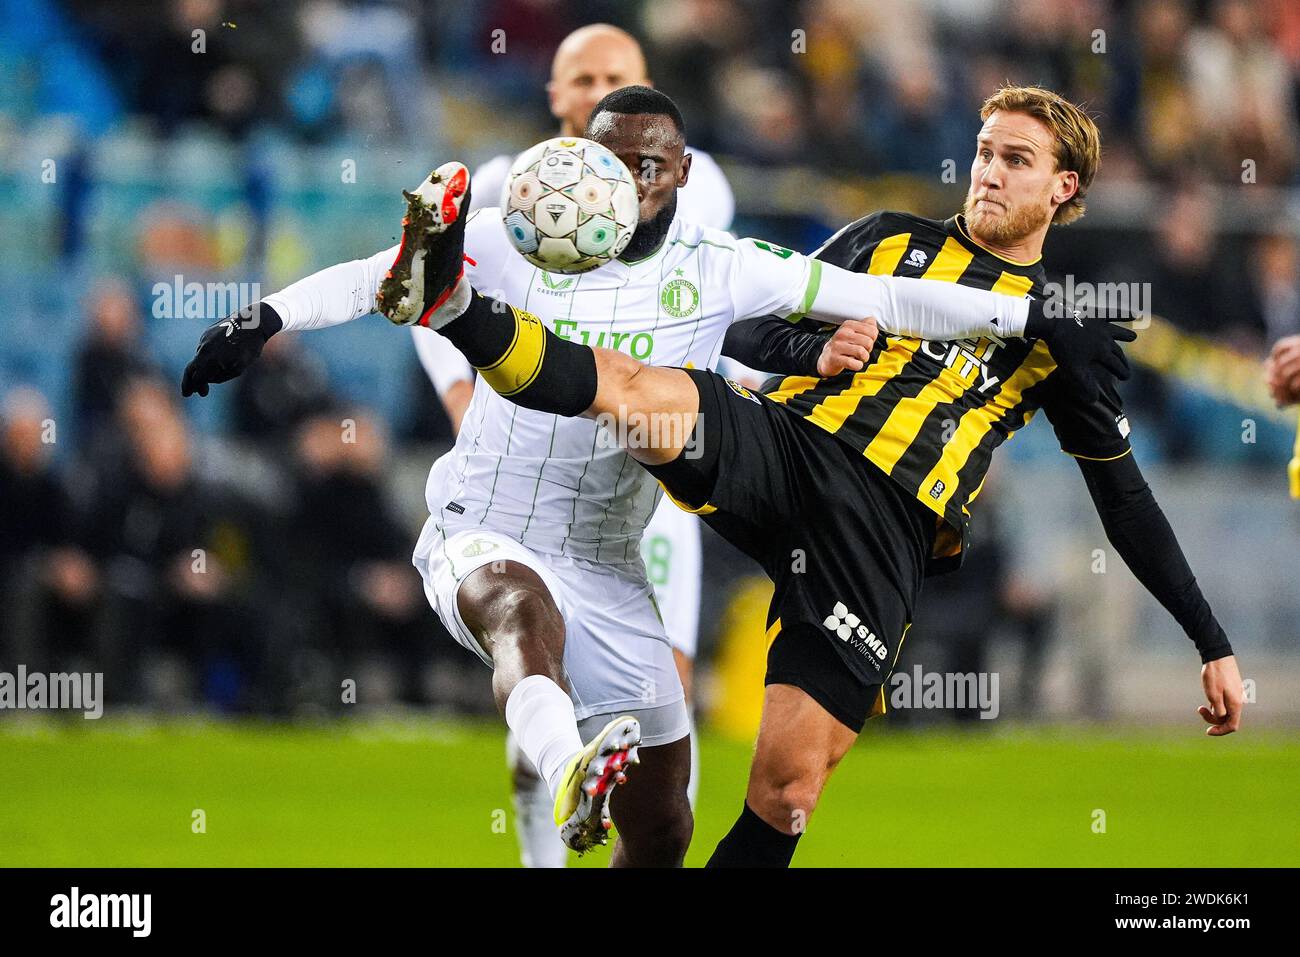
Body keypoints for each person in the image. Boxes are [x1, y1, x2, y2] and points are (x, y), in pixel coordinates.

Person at [179, 86, 1078, 865]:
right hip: (485, 516)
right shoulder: (521, 231)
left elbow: (886, 297)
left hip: (610, 556)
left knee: (663, 826)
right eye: (611, 159)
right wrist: (263, 318)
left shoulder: (720, 266)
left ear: (681, 172)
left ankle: (587, 775)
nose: (629, 178)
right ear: (584, 158)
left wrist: (1027, 314)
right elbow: (375, 278)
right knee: (521, 620)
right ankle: (569, 767)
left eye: (650, 164)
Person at [360, 84, 1241, 868]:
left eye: (1017, 160)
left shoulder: (1063, 335)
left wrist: (1210, 640)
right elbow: (741, 320)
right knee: (639, 391)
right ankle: (457, 312)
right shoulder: (889, 241)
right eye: (984, 153)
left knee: (786, 792)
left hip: (883, 532)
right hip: (787, 447)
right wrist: (812, 349)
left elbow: (1123, 496)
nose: (989, 173)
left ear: (1063, 188)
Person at [409, 22, 736, 867]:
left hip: (645, 477)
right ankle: (545, 833)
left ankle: (624, 825)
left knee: (663, 688)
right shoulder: (506, 182)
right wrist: (460, 394)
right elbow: (428, 292)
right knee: (538, 651)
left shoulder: (701, 184)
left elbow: (703, 305)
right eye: (582, 78)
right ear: (557, 95)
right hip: (535, 470)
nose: (597, 89)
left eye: (614, 75)